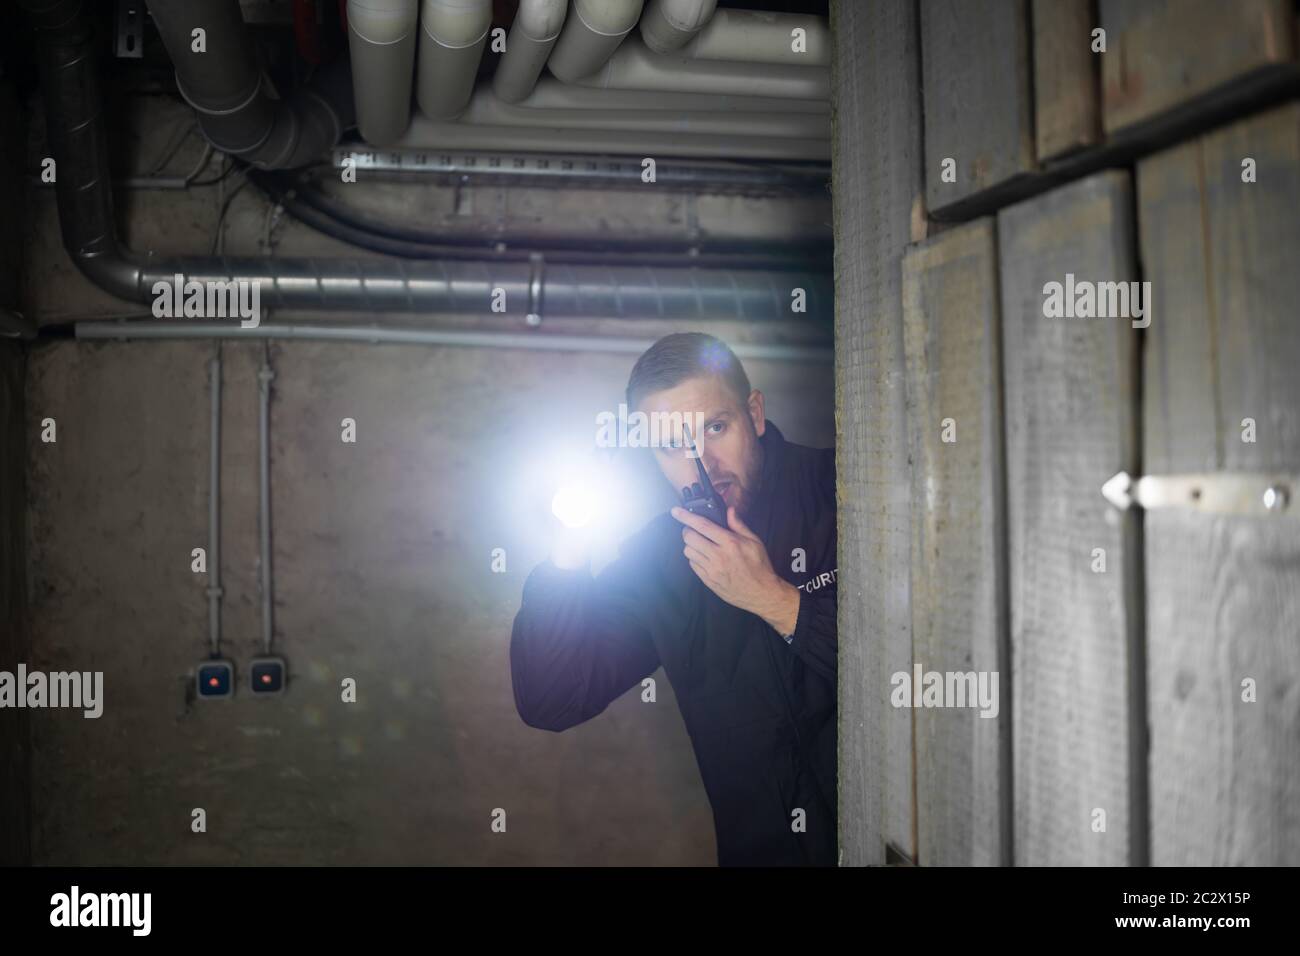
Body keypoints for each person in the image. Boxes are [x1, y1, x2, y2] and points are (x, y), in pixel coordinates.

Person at [510, 332, 837, 866]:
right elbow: (552, 699)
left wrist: (777, 602)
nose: (701, 462)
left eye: (715, 427)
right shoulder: (657, 562)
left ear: (754, 414)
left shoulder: (843, 488)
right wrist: (567, 550)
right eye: (672, 445)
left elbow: (915, 672)